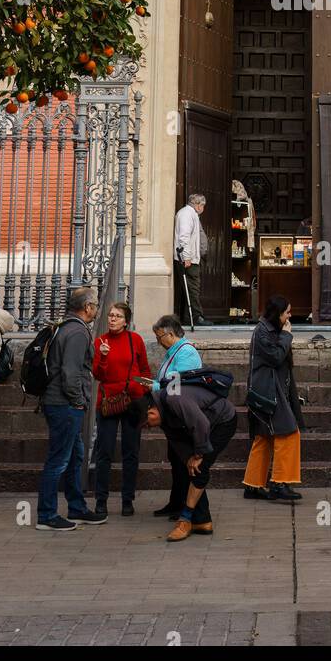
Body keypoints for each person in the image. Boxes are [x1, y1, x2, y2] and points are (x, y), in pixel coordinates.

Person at [36, 286, 105, 532]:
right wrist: (77, 400)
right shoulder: (77, 331)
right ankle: (46, 515)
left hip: (59, 402)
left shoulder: (64, 327)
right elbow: (71, 372)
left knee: (75, 456)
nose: (97, 309)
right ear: (87, 307)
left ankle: (77, 507)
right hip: (64, 404)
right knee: (59, 460)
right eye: (95, 305)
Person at [147, 372, 238, 541]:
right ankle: (202, 520)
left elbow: (200, 424)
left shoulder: (174, 400)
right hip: (206, 425)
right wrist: (188, 457)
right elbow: (175, 439)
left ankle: (186, 519)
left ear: (151, 412)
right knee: (187, 466)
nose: (149, 428)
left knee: (200, 467)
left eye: (146, 424)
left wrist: (198, 454)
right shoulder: (163, 411)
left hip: (223, 421)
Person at [91, 301, 152, 519]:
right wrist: (104, 356)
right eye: (110, 316)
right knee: (104, 451)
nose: (112, 319)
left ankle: (128, 499)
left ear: (126, 321)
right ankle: (101, 500)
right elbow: (98, 374)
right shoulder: (101, 342)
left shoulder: (134, 339)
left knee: (131, 452)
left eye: (117, 316)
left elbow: (144, 368)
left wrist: (144, 392)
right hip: (108, 402)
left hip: (132, 400)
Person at [243, 295, 304, 502]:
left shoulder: (268, 330)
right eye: (287, 312)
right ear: (278, 314)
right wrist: (287, 336)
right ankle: (279, 483)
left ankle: (253, 485)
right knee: (289, 433)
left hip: (271, 390)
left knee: (264, 437)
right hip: (268, 392)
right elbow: (276, 357)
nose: (290, 316)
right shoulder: (263, 332)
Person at [149, 314, 204, 519]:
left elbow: (178, 385)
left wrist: (153, 386)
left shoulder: (185, 352)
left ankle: (184, 504)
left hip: (182, 416)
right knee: (175, 459)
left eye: (159, 337)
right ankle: (176, 502)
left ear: (170, 334)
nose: (158, 341)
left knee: (182, 461)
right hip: (173, 416)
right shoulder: (173, 352)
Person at [174, 192, 211, 326]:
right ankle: (196, 317)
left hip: (192, 258)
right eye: (202, 205)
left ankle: (188, 317)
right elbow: (184, 237)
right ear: (197, 205)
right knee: (193, 288)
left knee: (190, 288)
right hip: (188, 259)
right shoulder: (186, 214)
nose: (203, 208)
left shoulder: (190, 214)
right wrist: (187, 257)